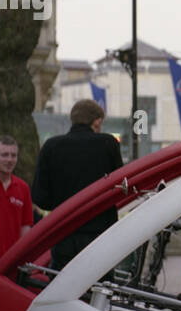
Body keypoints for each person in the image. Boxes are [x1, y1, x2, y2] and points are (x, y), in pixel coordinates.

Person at [32, 98, 124, 270]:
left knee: (63, 287)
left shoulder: (51, 146)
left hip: (64, 233)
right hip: (99, 232)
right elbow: (120, 186)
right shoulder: (107, 144)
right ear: (97, 121)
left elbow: (39, 196)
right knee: (98, 287)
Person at [0, 135, 33, 278]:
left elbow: (26, 226)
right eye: (4, 155)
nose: (10, 160)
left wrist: (21, 255)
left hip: (12, 259)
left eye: (13, 155)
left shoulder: (23, 188)